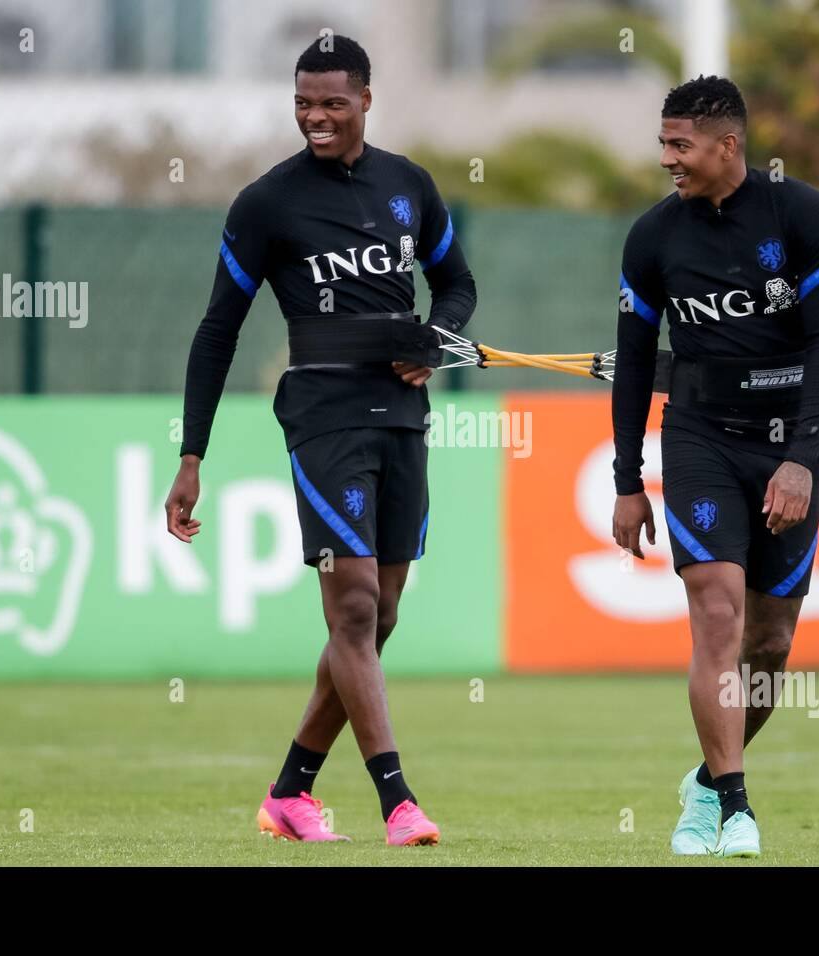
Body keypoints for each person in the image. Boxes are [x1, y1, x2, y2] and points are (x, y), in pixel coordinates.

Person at [165, 35, 476, 846]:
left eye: (332, 102)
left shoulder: (410, 186)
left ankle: (290, 792)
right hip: (321, 417)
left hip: (401, 417)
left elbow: (457, 283)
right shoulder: (266, 204)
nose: (315, 117)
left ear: (367, 99)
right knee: (355, 607)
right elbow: (213, 334)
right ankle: (398, 801)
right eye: (303, 102)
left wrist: (435, 338)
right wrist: (191, 454)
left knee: (382, 617)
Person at [611, 75, 819, 857]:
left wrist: (801, 459)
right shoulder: (652, 237)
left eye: (681, 145)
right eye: (664, 144)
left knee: (771, 645)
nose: (669, 159)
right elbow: (636, 365)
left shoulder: (802, 216)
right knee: (717, 615)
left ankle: (706, 781)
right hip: (699, 440)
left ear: (728, 145)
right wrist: (626, 481)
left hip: (786, 445)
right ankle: (734, 810)